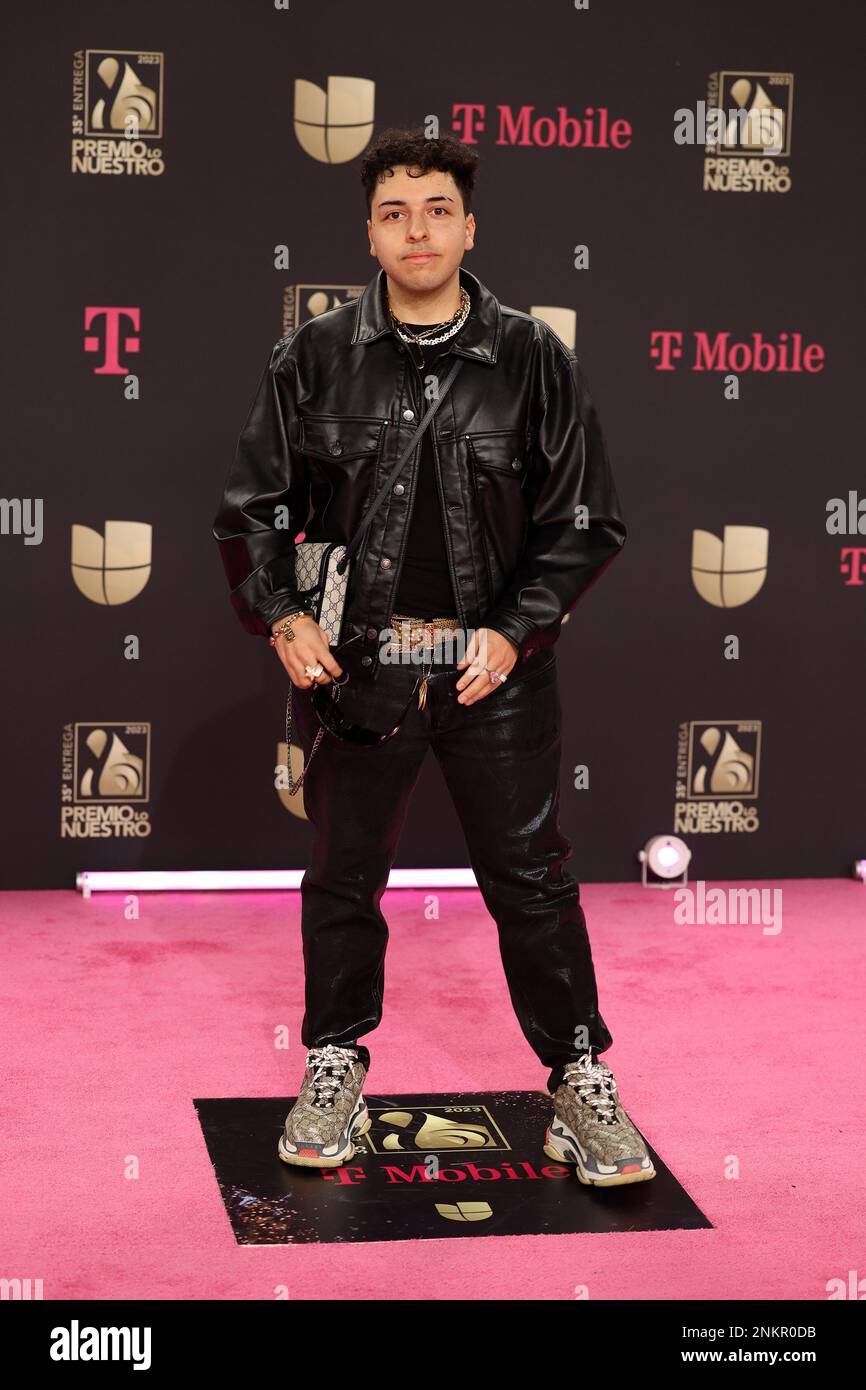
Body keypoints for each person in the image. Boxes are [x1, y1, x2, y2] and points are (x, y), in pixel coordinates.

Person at [212, 127, 655, 1188]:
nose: (417, 230)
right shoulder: (311, 356)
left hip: (490, 670)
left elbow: (584, 519)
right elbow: (250, 512)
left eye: (436, 210)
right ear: (369, 230)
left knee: (532, 882)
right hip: (354, 670)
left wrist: (513, 630)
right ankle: (331, 1064)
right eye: (394, 211)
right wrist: (281, 615)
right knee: (343, 878)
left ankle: (577, 1077)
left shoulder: (531, 357)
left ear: (468, 225)